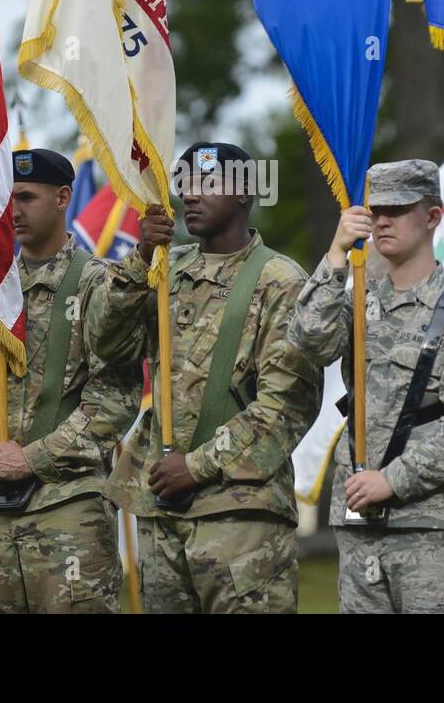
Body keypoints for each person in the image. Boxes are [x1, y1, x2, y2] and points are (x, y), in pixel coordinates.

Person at [86, 142, 321, 613]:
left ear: (245, 194)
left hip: (240, 512)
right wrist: (142, 256)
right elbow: (104, 343)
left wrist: (194, 467)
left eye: (208, 184)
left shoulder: (280, 280)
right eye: (186, 185)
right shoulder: (164, 271)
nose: (191, 196)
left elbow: (287, 407)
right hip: (161, 508)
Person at [0, 149, 141, 613]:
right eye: (7, 200)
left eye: (26, 197)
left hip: (69, 503)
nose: (14, 211)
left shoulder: (99, 283)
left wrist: (35, 459)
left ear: (63, 198)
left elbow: (116, 400)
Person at [287, 160, 444, 613]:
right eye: (376, 208)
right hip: (361, 527)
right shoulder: (358, 304)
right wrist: (336, 254)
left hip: (433, 530)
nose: (383, 220)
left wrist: (392, 480)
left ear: (432, 216)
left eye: (399, 209)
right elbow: (307, 340)